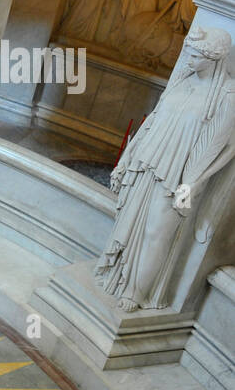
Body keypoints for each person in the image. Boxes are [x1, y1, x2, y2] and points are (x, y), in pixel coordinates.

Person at [96, 25, 235, 312]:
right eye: (189, 54)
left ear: (215, 59)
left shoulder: (226, 97)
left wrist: (191, 184)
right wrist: (127, 159)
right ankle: (121, 280)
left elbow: (216, 148)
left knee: (155, 234)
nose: (189, 60)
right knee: (130, 222)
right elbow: (153, 121)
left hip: (176, 177)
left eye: (196, 56)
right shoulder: (183, 81)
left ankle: (137, 293)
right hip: (147, 165)